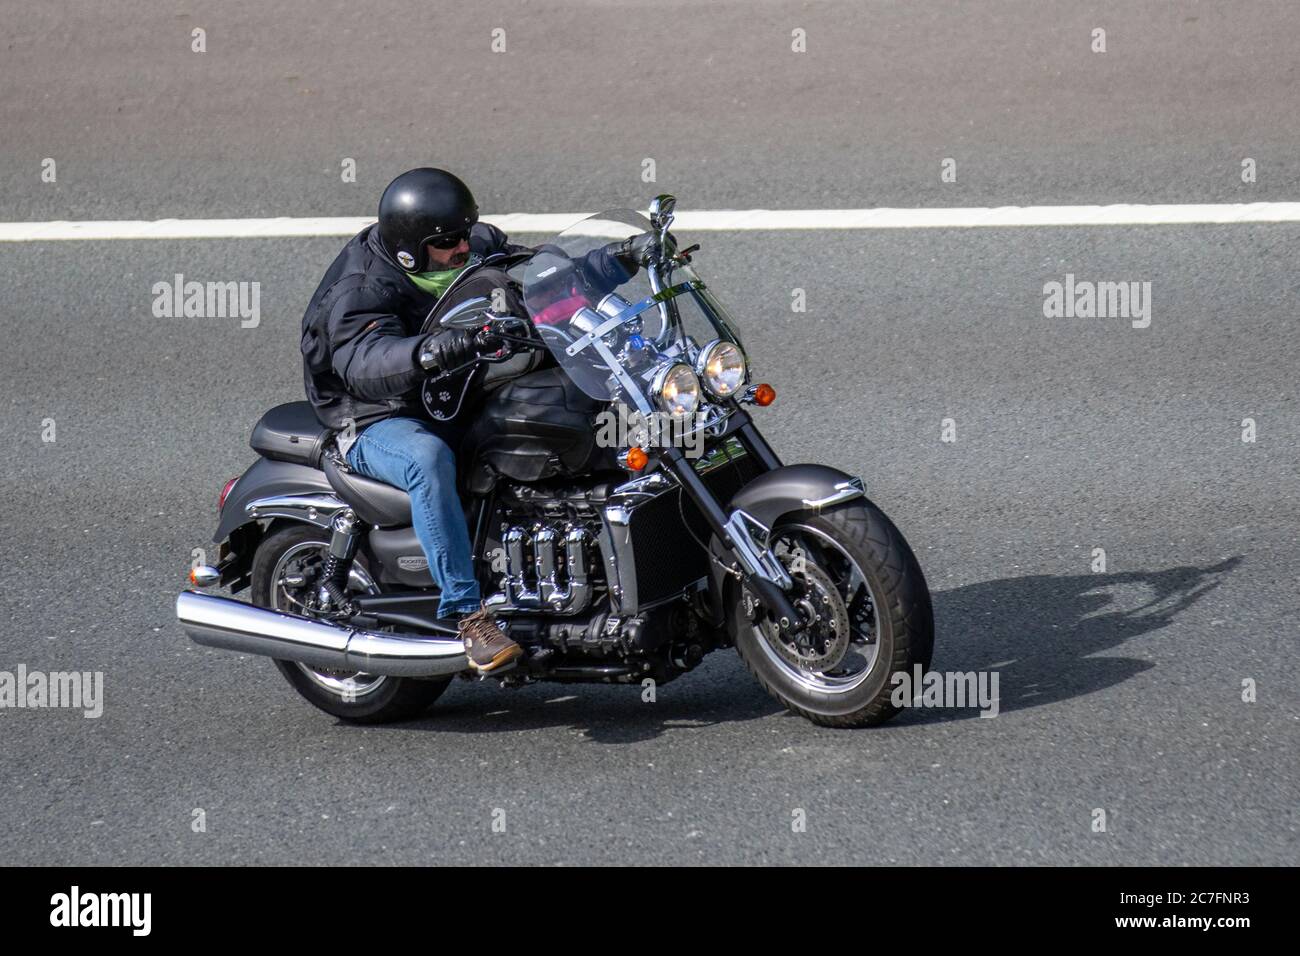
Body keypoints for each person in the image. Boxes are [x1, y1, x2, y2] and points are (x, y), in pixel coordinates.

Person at [300, 167, 641, 674]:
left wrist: (616, 261)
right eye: (446, 243)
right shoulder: (361, 288)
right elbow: (365, 362)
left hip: (453, 385)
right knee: (428, 458)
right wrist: (431, 352)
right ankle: (468, 615)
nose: (462, 248)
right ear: (411, 248)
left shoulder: (472, 244)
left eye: (464, 233)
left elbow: (539, 279)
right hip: (374, 414)